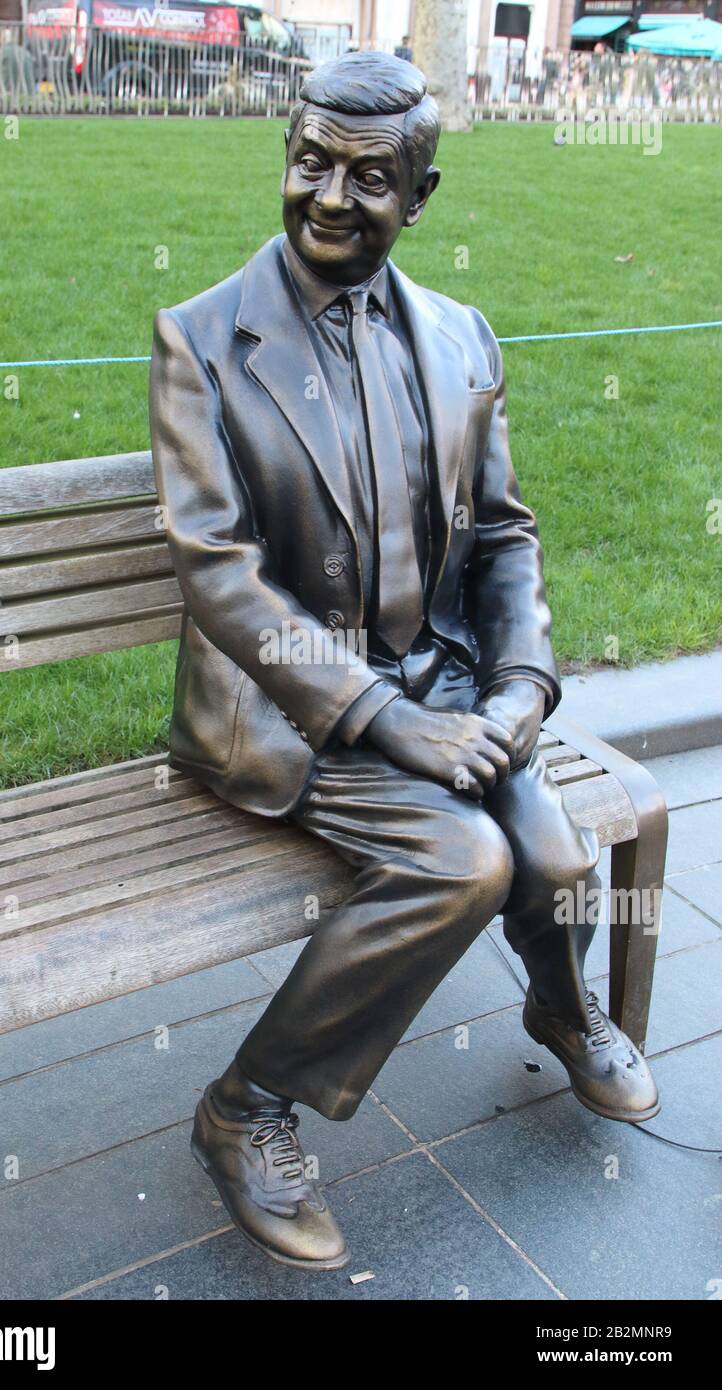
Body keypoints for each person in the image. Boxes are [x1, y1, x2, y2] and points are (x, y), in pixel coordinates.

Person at [149, 50, 659, 1273]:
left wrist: (523, 682)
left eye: (367, 177)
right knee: (469, 859)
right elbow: (218, 573)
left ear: (418, 195)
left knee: (552, 848)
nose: (328, 195)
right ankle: (245, 1104)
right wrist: (382, 716)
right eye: (308, 162)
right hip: (285, 708)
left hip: (442, 682)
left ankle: (555, 1001)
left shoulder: (459, 336)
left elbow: (502, 537)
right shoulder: (203, 341)